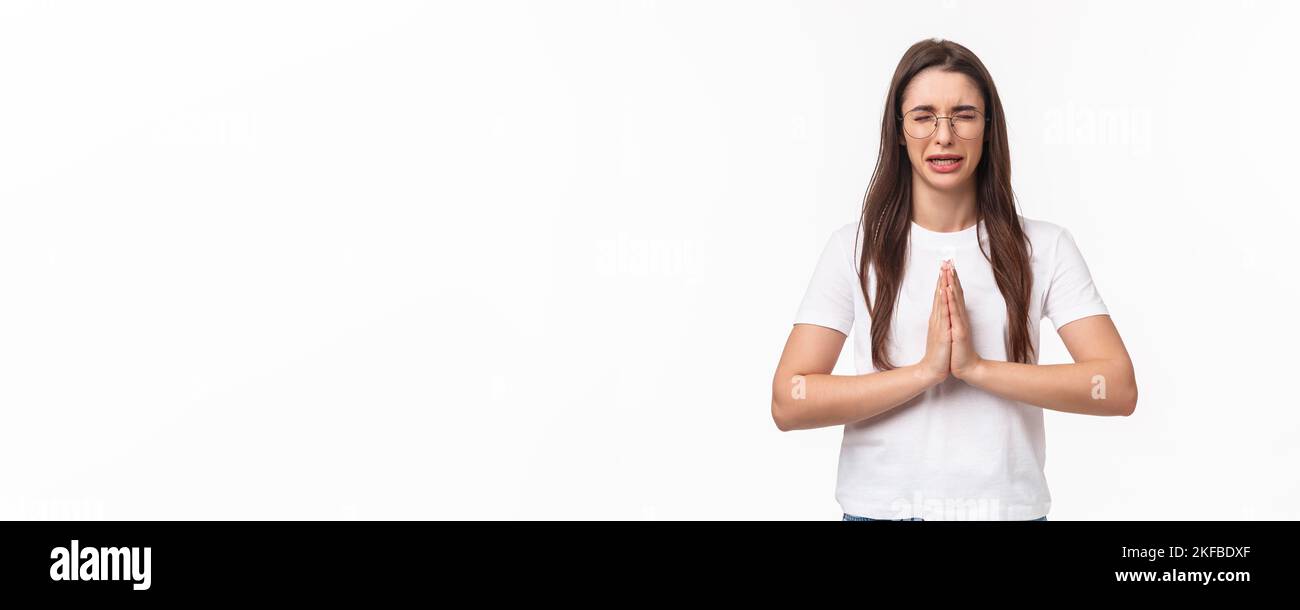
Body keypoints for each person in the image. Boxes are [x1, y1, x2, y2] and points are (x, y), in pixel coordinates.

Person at [770, 38, 1138, 521]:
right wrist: (923, 373)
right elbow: (788, 401)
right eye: (924, 116)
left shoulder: (1044, 248)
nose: (943, 136)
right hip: (881, 513)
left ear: (988, 129)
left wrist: (977, 369)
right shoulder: (853, 249)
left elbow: (1115, 387)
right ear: (899, 131)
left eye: (964, 114)